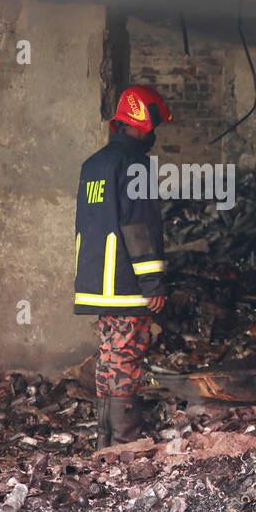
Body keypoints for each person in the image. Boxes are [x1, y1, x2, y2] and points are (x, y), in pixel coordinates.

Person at [74, 85, 173, 449]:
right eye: (154, 123)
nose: (154, 133)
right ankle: (125, 444)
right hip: (125, 284)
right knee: (127, 359)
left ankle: (105, 443)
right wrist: (153, 284)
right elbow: (137, 227)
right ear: (142, 122)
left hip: (96, 282)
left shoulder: (93, 164)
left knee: (109, 358)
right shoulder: (135, 165)